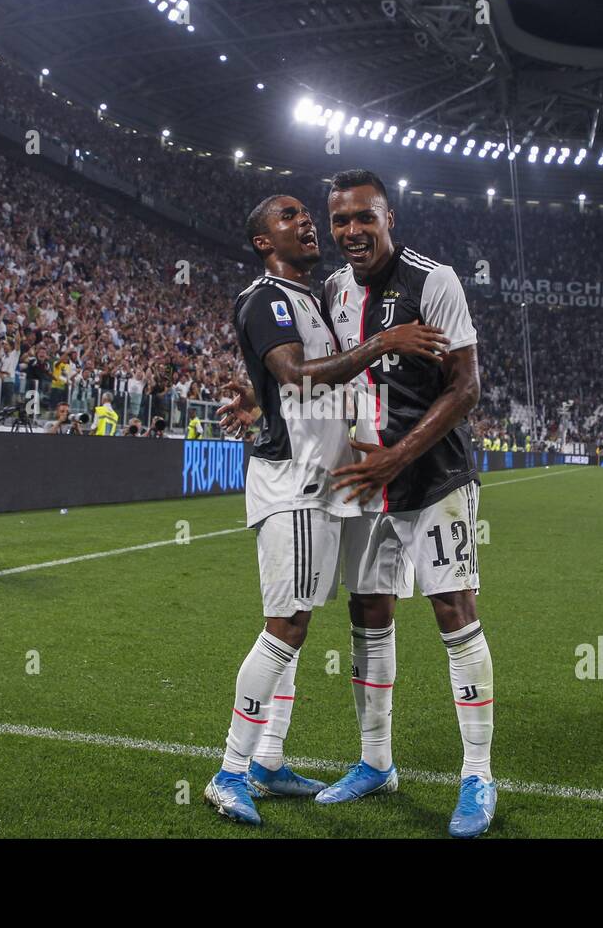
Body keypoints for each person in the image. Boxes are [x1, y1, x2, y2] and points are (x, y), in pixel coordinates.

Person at [202, 193, 448, 826]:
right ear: (264, 242)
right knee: (285, 625)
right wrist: (384, 342)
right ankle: (229, 770)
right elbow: (298, 376)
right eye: (288, 217)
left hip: (326, 483)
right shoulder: (267, 297)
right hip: (295, 484)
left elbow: (295, 388)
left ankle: (268, 760)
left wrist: (259, 397)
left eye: (304, 214)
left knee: (299, 622)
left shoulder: (310, 300)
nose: (306, 221)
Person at [317, 169, 494, 838]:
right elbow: (324, 375)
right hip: (368, 483)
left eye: (365, 217)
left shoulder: (433, 282)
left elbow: (466, 387)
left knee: (453, 609)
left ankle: (476, 774)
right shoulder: (332, 291)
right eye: (340, 221)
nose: (352, 231)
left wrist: (400, 453)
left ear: (389, 218)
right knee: (368, 612)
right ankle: (375, 762)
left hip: (436, 479)